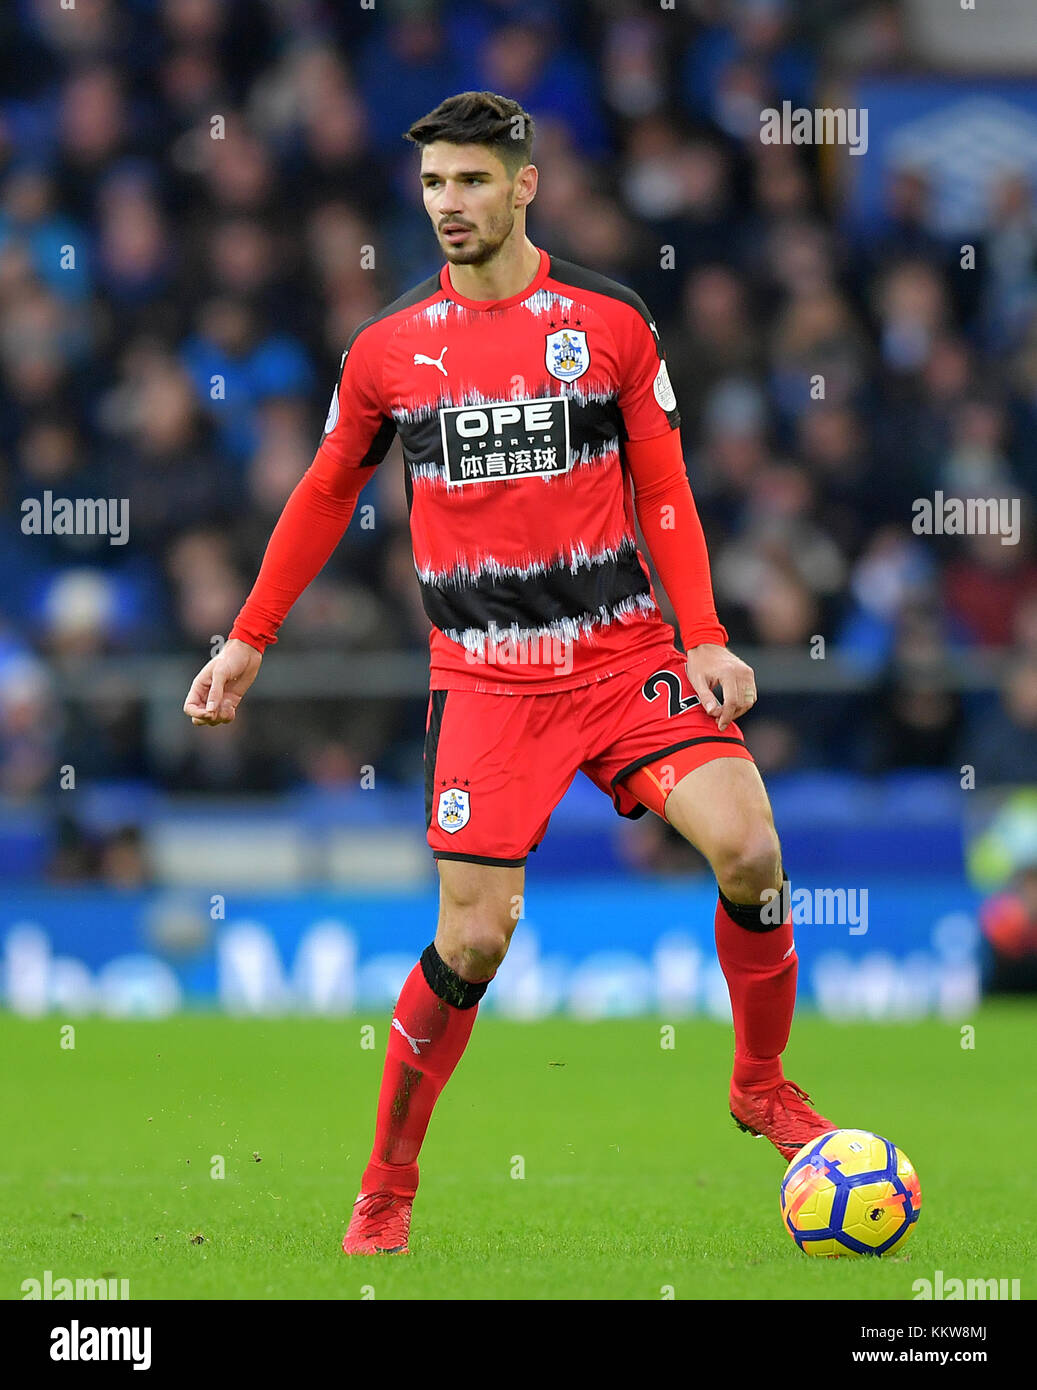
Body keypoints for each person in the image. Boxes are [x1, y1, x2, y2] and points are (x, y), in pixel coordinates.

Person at [183, 91, 835, 1255]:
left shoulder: (610, 322)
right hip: (485, 679)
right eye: (434, 184)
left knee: (748, 844)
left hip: (625, 652)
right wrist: (248, 637)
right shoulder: (387, 350)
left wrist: (703, 634)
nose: (449, 205)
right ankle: (386, 1182)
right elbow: (327, 487)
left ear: (524, 184)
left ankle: (759, 1082)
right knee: (474, 940)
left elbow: (663, 486)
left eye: (472, 181)